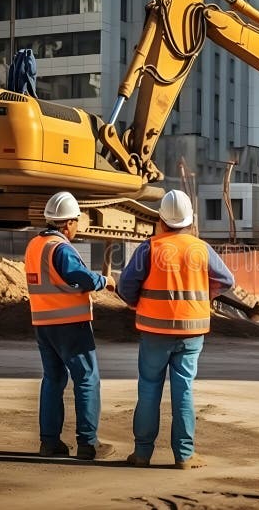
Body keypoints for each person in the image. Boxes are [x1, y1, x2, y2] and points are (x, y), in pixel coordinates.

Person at [119, 189, 234, 469]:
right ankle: (184, 455)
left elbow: (125, 287)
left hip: (154, 331)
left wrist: (138, 302)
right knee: (183, 391)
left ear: (160, 220)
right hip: (191, 332)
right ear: (190, 221)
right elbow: (227, 280)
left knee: (148, 389)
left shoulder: (150, 247)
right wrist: (205, 295)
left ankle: (142, 454)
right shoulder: (200, 248)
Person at [24, 191, 116, 460]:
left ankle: (49, 442)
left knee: (53, 379)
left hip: (43, 324)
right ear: (67, 223)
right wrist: (104, 281)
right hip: (70, 324)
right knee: (87, 379)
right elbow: (80, 277)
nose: (77, 226)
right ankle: (88, 444)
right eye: (77, 220)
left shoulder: (35, 245)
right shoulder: (60, 247)